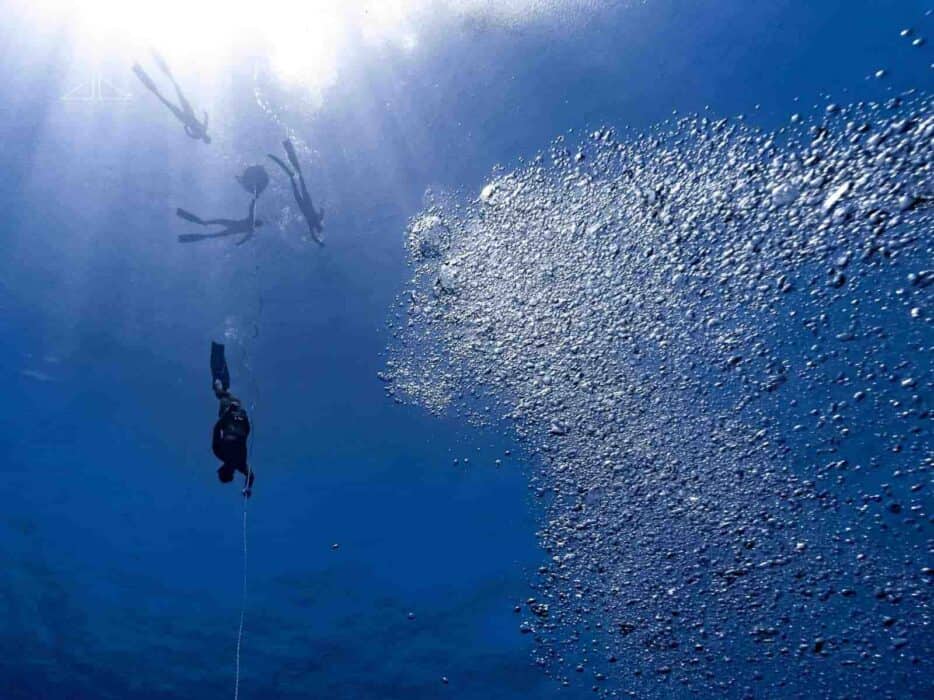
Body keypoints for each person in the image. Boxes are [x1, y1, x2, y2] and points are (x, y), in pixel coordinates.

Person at [132, 51, 211, 143]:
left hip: (187, 117)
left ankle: (160, 76)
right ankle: (152, 79)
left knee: (175, 95)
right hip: (187, 118)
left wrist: (202, 115)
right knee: (171, 100)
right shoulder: (200, 133)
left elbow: (202, 122)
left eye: (206, 138)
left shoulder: (201, 132)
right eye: (206, 138)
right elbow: (193, 130)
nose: (205, 137)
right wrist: (187, 127)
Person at [210, 342, 254, 497]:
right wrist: (247, 488)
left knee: (222, 392)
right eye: (223, 471)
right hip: (238, 415)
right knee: (223, 392)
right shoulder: (237, 463)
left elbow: (217, 429)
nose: (223, 468)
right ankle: (219, 359)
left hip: (232, 414)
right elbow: (250, 475)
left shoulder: (221, 453)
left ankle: (218, 354)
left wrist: (228, 413)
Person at [268, 139, 324, 245]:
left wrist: (319, 242)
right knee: (297, 187)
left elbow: (322, 211)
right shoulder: (314, 223)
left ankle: (294, 173)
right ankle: (292, 176)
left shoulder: (317, 220)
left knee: (301, 182)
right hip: (303, 204)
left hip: (305, 202)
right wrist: (319, 242)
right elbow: (314, 236)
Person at [176, 196, 262, 245]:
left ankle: (202, 223)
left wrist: (254, 200)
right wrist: (239, 243)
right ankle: (201, 226)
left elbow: (252, 209)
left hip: (232, 226)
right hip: (231, 229)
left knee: (211, 226)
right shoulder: (252, 228)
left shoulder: (252, 221)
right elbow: (246, 238)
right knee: (210, 234)